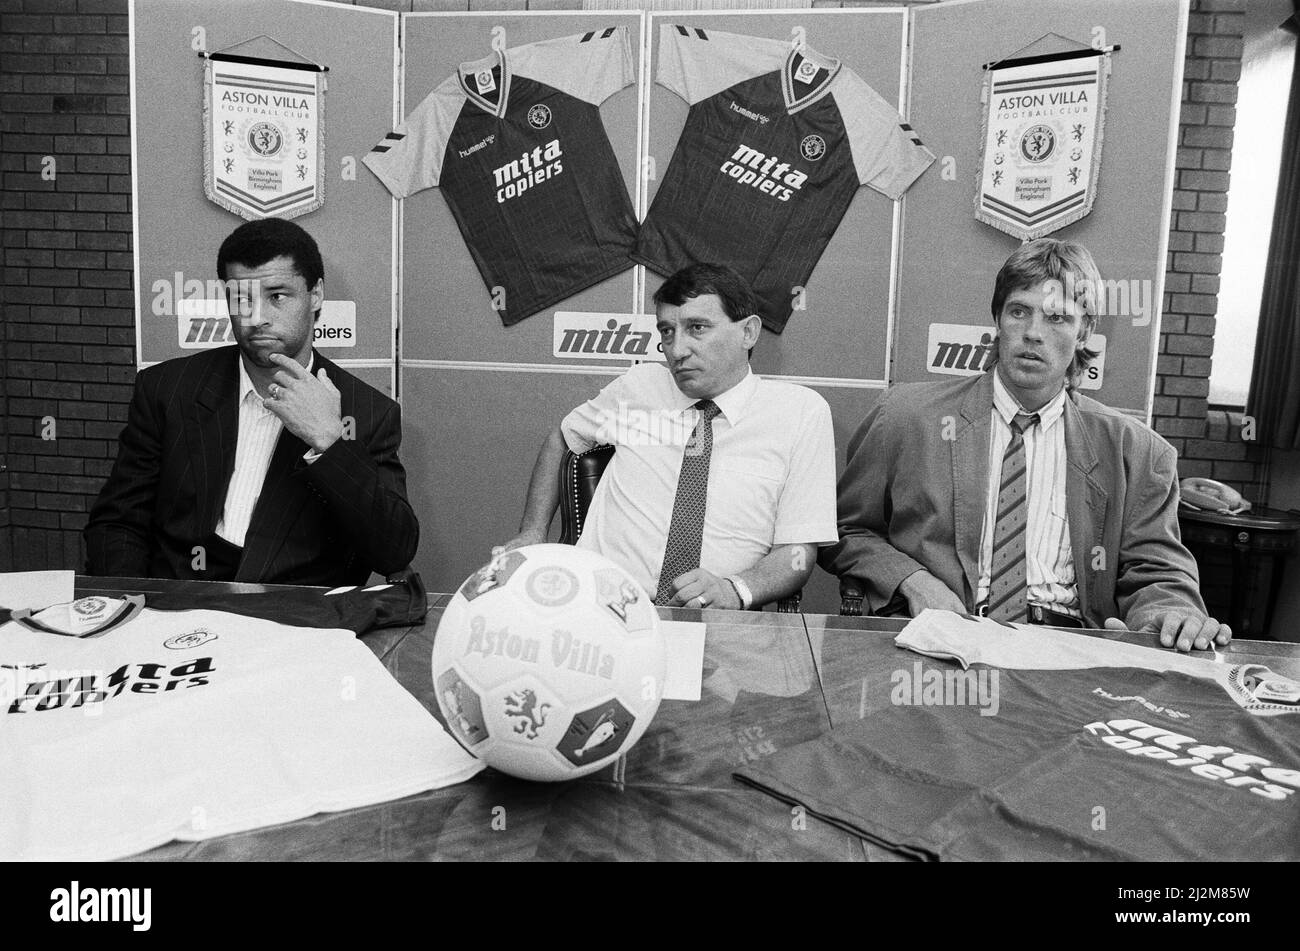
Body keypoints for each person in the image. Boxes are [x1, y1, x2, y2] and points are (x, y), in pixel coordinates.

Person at [820, 238, 1230, 652]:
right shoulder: (907, 417)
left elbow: (1158, 573)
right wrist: (914, 581)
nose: (1033, 334)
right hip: (940, 640)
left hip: (1071, 648)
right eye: (1019, 312)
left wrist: (1167, 613)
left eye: (1056, 318)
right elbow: (844, 529)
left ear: (1085, 329)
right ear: (997, 318)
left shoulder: (1138, 451)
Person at [85, 218, 419, 585]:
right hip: (179, 607)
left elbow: (393, 551)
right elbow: (119, 522)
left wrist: (330, 442)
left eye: (277, 296)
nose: (257, 318)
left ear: (317, 294)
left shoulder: (368, 412)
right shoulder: (167, 389)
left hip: (297, 621)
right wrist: (129, 608)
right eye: (242, 298)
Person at [500, 263, 837, 610]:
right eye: (667, 331)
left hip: (720, 622)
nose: (677, 350)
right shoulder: (638, 387)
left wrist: (735, 590)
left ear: (748, 333)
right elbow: (562, 440)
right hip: (603, 609)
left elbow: (797, 552)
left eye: (697, 328)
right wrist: (533, 532)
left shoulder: (800, 414)